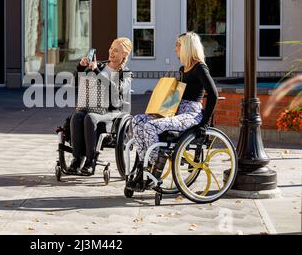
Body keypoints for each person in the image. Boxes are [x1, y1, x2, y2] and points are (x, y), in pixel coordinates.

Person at [127, 32, 219, 189]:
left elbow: (214, 95)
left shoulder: (200, 68)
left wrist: (204, 124)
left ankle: (154, 169)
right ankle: (143, 166)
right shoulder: (183, 68)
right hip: (176, 111)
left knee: (151, 126)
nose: (175, 48)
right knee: (137, 120)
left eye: (178, 44)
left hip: (191, 114)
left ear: (187, 47)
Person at [68, 38, 133, 176]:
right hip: (93, 107)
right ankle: (77, 159)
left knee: (90, 118)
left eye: (116, 50)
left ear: (124, 55)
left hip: (112, 112)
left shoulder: (125, 73)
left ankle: (91, 161)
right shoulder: (102, 66)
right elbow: (78, 82)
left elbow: (115, 91)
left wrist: (97, 71)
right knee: (77, 116)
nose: (111, 52)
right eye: (111, 48)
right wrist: (81, 67)